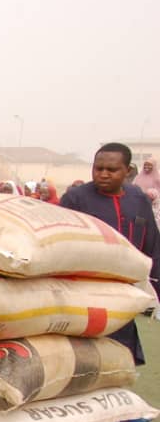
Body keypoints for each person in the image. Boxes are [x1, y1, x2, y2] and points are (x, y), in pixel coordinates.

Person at [60, 142, 160, 365]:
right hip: (85, 289)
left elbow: (152, 244)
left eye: (111, 170)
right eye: (98, 168)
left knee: (121, 352)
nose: (103, 174)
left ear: (127, 171)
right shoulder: (75, 199)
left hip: (125, 289)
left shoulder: (139, 200)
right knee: (86, 351)